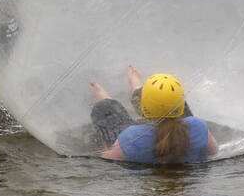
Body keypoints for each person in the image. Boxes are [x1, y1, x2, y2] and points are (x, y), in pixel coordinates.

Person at [90, 66, 219, 164]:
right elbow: (213, 151)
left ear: (144, 108)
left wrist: (107, 146)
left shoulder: (132, 136)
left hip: (133, 143)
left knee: (106, 108)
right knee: (168, 98)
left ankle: (106, 96)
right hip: (175, 129)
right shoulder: (198, 126)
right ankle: (137, 86)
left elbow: (109, 158)